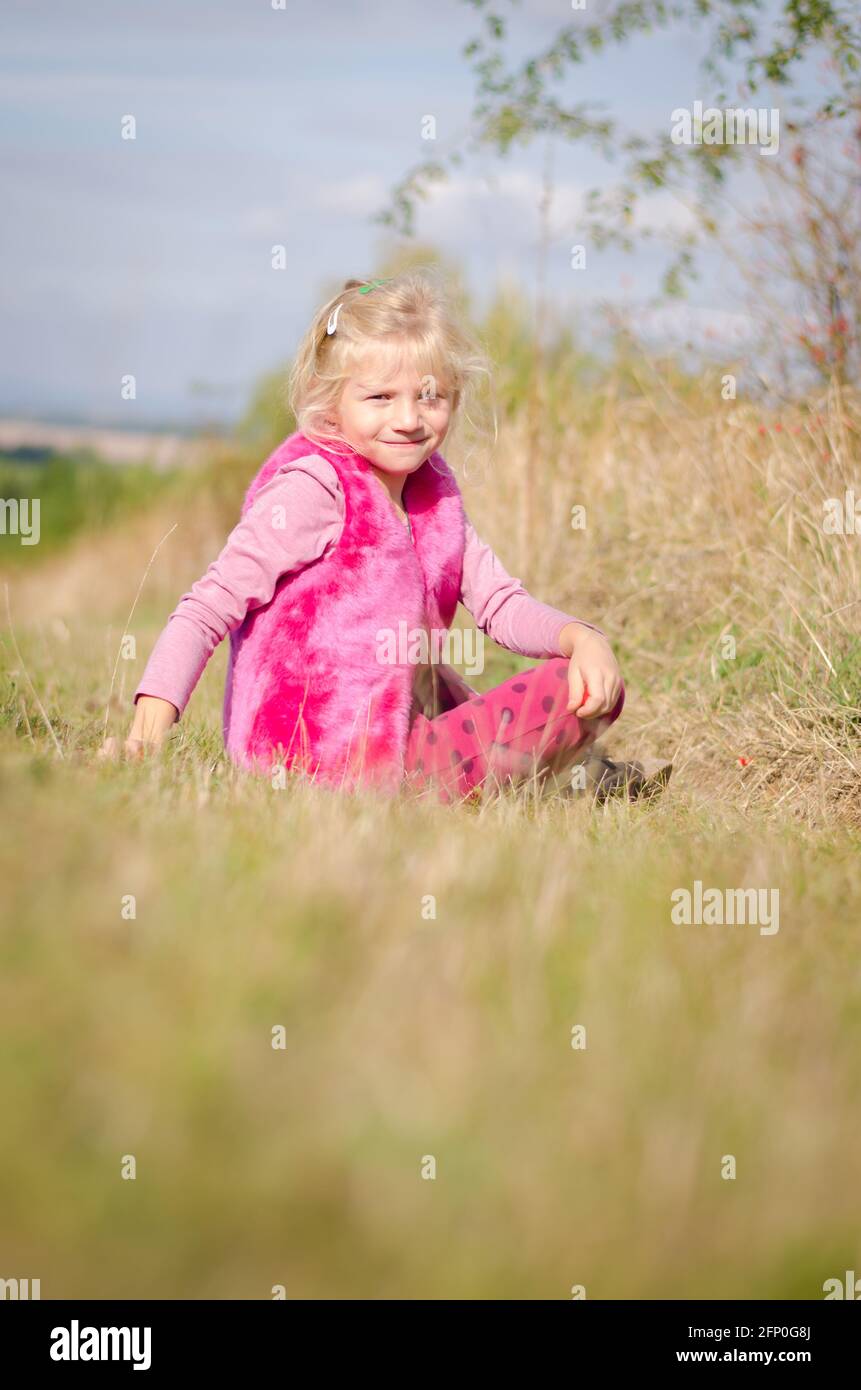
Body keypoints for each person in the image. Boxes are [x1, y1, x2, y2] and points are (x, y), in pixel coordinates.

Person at [107, 271, 657, 806]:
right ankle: (556, 777)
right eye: (379, 398)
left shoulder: (432, 498)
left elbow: (500, 602)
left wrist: (583, 638)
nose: (408, 419)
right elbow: (206, 609)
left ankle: (558, 778)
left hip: (401, 733)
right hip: (320, 759)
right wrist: (145, 736)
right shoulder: (314, 489)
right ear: (330, 401)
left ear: (454, 397)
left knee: (575, 677)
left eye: (429, 396)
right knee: (569, 697)